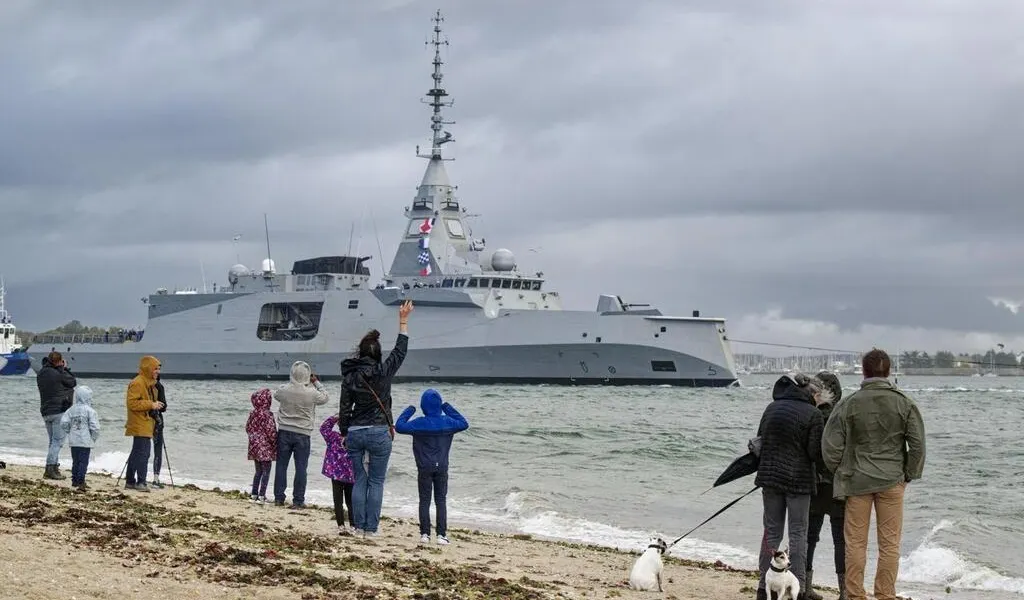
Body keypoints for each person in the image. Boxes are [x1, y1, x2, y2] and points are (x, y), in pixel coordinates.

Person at [823, 349, 926, 600]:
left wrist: (841, 471)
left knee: (855, 543)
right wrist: (909, 474)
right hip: (892, 480)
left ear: (864, 370)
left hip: (857, 480)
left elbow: (830, 446)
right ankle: (885, 594)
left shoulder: (849, 403)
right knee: (889, 544)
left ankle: (855, 595)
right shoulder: (904, 403)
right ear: (888, 371)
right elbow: (918, 445)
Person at [339, 299, 413, 537]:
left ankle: (358, 526)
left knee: (359, 480)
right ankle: (371, 529)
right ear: (378, 353)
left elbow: (344, 408)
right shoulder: (383, 371)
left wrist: (344, 432)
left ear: (360, 353)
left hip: (356, 432)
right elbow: (400, 352)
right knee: (377, 481)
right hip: (380, 431)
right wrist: (403, 321)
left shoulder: (350, 377)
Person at [754, 373, 825, 600]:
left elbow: (760, 441)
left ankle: (762, 588)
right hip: (799, 481)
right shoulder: (813, 414)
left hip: (770, 478)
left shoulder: (771, 408)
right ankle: (799, 588)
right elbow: (814, 453)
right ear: (814, 394)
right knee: (798, 533)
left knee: (771, 531)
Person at [395, 388, 469, 545]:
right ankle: (441, 535)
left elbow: (399, 427)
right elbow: (464, 423)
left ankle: (425, 534)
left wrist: (410, 410)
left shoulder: (419, 423)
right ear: (439, 405)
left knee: (424, 500)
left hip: (424, 467)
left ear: (423, 406)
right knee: (441, 500)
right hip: (442, 466)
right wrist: (447, 407)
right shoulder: (448, 422)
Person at [805, 372, 846, 600]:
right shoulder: (843, 416)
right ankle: (844, 592)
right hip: (838, 485)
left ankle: (805, 586)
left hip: (814, 483)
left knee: (809, 537)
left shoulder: (811, 415)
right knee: (841, 540)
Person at [272, 360, 329, 508]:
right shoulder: (312, 393)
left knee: (281, 466)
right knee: (301, 468)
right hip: (303, 434)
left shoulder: (284, 390)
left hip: (284, 431)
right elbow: (325, 397)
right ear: (308, 375)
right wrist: (316, 382)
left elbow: (276, 394)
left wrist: (292, 382)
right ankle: (298, 500)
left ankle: (279, 498)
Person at [125, 355, 165, 492]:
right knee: (144, 453)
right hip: (140, 423)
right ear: (148, 368)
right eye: (155, 369)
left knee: (136, 452)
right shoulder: (138, 383)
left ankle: (130, 481)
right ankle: (141, 482)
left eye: (158, 369)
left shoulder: (150, 383)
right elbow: (132, 403)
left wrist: (155, 405)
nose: (158, 372)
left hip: (146, 422)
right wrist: (151, 405)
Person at [36, 351, 77, 480]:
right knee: (57, 442)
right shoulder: (58, 373)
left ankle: (53, 468)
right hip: (59, 410)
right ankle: (50, 468)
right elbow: (72, 382)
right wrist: (64, 368)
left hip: (46, 411)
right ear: (59, 361)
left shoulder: (41, 372)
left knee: (52, 441)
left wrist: (60, 368)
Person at [320, 415, 356, 535]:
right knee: (351, 501)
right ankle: (353, 525)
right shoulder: (355, 439)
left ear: (339, 426)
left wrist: (336, 417)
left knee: (338, 501)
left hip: (336, 474)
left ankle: (341, 525)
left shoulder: (333, 438)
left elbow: (324, 428)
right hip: (351, 475)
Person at [60, 385, 100, 490]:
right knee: (83, 462)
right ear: (88, 397)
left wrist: (70, 431)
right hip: (85, 441)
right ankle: (81, 481)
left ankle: (74, 480)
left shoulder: (71, 410)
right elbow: (95, 427)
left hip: (74, 441)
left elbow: (63, 423)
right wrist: (93, 438)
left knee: (75, 461)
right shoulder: (90, 411)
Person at [246, 388, 277, 503]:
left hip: (254, 446)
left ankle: (254, 494)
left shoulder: (252, 413)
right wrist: (275, 443)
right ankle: (262, 496)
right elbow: (271, 431)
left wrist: (254, 438)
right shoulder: (268, 414)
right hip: (265, 447)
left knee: (258, 471)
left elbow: (247, 428)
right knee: (266, 472)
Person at [150, 374, 168, 488]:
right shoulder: (159, 386)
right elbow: (164, 407)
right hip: (157, 422)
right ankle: (155, 479)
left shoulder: (144, 385)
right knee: (157, 450)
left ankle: (134, 477)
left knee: (140, 448)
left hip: (145, 420)